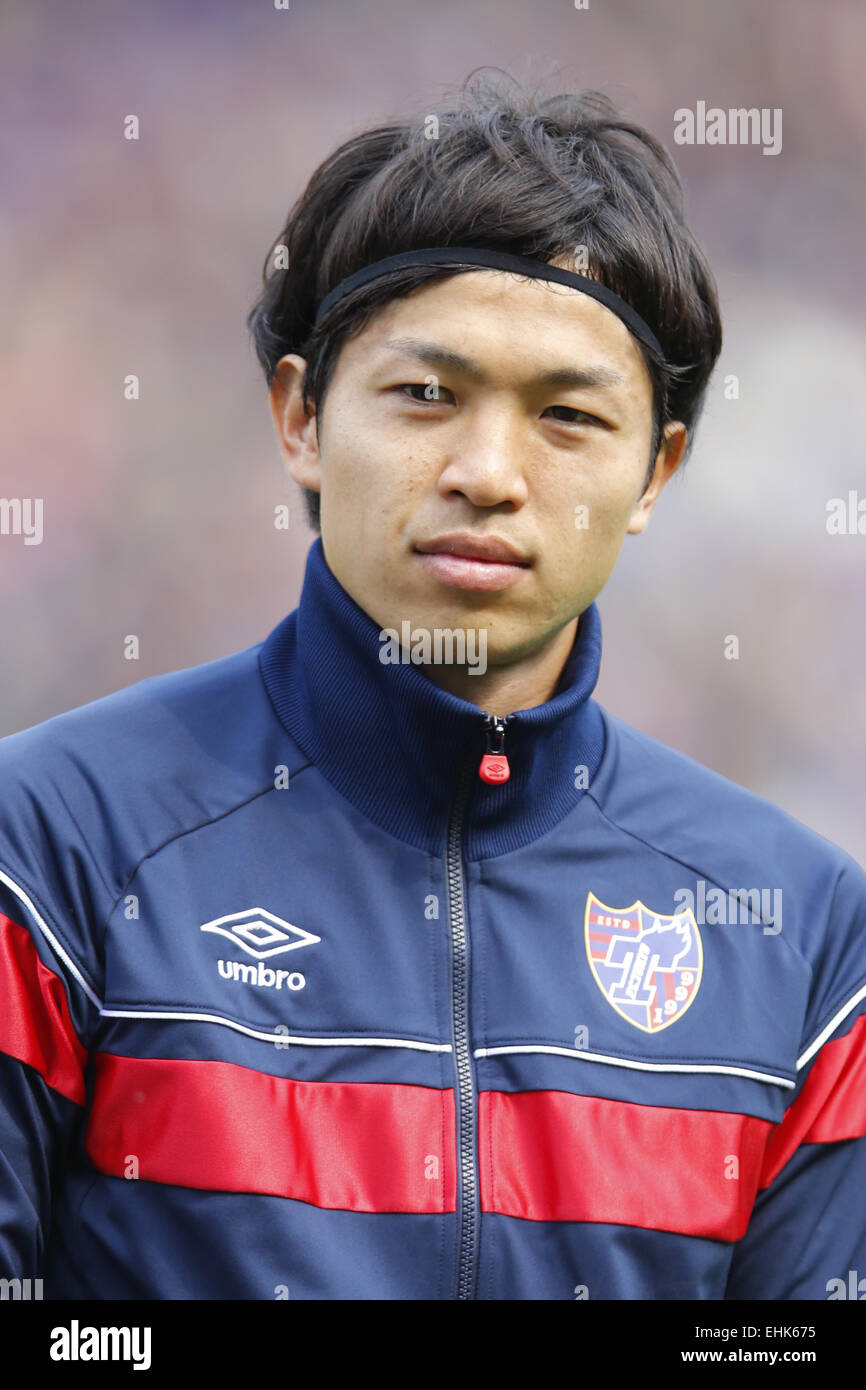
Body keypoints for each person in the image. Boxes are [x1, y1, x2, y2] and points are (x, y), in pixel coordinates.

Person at [1, 71, 864, 1302]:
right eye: (424, 395)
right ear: (300, 416)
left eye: (567, 414)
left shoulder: (805, 935)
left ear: (656, 472)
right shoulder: (46, 851)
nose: (487, 472)